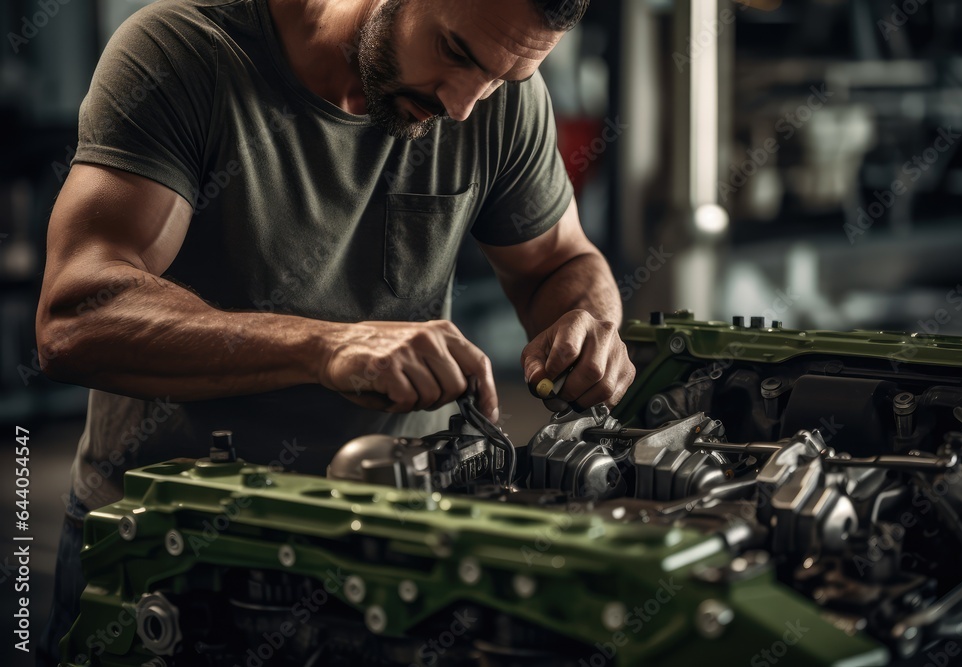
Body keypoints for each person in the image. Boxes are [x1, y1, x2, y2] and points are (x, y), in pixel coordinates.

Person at [35, 0, 635, 663]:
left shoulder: (491, 96)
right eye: (456, 53)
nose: (464, 105)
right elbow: (77, 315)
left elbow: (560, 261)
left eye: (504, 77)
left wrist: (591, 325)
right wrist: (327, 346)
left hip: (394, 556)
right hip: (178, 559)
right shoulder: (188, 54)